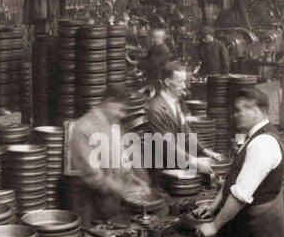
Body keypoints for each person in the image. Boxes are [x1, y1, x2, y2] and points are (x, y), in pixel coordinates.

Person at [194, 87, 284, 237]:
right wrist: (213, 206)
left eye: (239, 110)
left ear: (255, 111)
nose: (234, 115)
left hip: (261, 228)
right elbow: (233, 177)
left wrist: (214, 226)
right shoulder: (253, 136)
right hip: (253, 223)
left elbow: (241, 193)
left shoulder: (262, 143)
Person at [66, 83, 148, 225]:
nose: (122, 115)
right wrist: (126, 190)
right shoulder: (83, 127)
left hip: (115, 204)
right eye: (121, 109)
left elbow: (122, 157)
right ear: (108, 102)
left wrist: (132, 178)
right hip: (94, 207)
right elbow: (93, 176)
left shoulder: (113, 123)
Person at [144, 62, 222, 179]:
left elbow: (186, 134)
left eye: (185, 81)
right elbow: (166, 146)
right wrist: (195, 162)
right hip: (162, 172)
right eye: (180, 82)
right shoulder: (155, 108)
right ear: (167, 82)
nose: (185, 86)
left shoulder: (175, 103)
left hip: (175, 166)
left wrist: (206, 151)